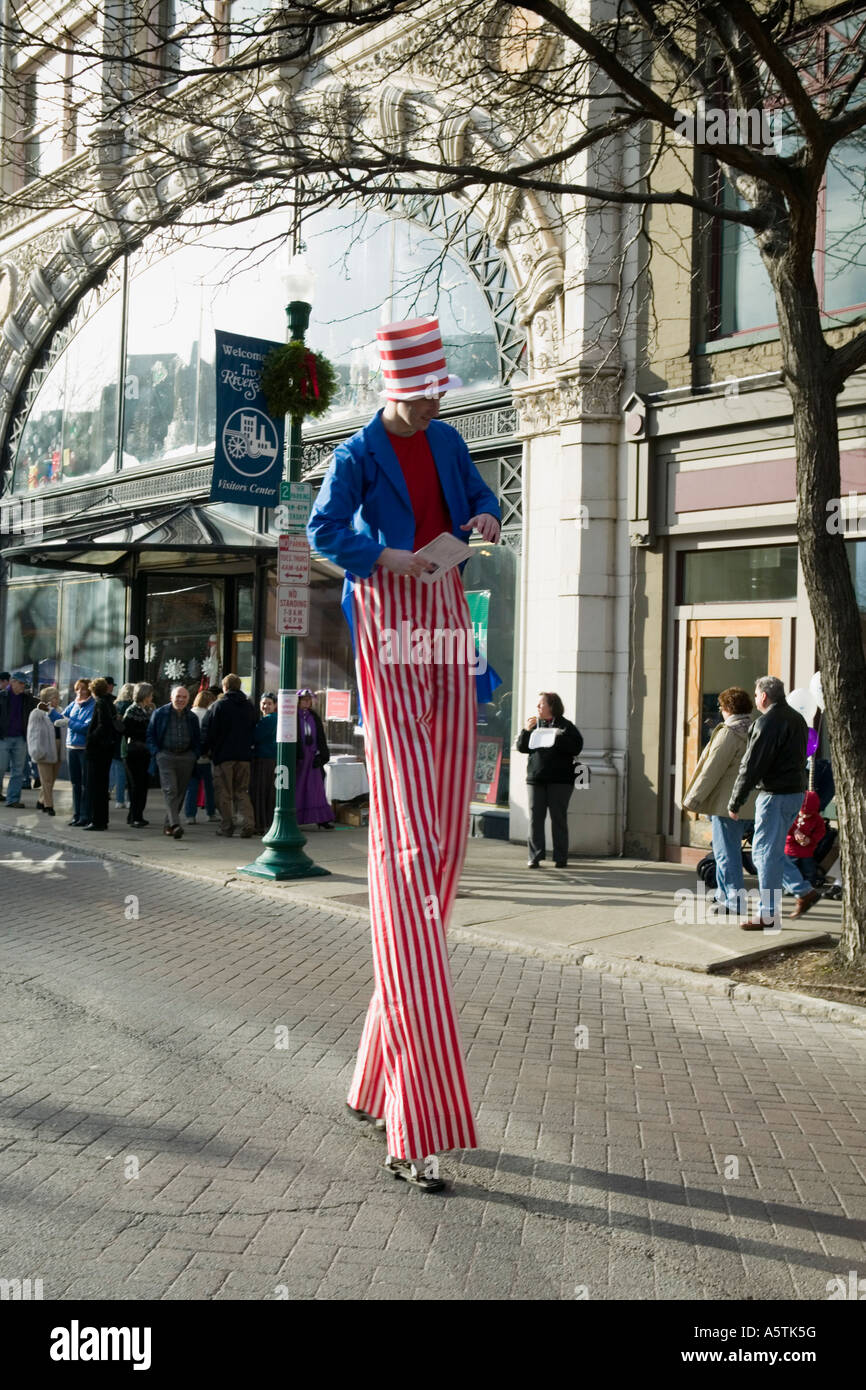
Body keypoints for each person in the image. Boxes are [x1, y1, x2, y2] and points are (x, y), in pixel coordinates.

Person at [307, 314, 501, 1193]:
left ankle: (368, 1076)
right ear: (394, 390)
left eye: (436, 395)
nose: (431, 408)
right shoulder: (354, 456)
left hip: (449, 621)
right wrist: (386, 556)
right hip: (390, 621)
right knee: (411, 854)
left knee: (444, 852)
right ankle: (413, 1119)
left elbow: (479, 499)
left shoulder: (451, 439)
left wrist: (486, 523)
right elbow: (323, 533)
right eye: (421, 396)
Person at [729, 676, 816, 927]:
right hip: (794, 794)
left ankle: (768, 913)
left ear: (764, 696)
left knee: (764, 854)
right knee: (770, 851)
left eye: (756, 695)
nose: (755, 699)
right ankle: (803, 890)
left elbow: (752, 765)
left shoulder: (767, 723)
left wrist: (736, 801)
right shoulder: (796, 719)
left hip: (775, 796)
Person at [682, 687, 757, 914]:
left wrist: (692, 800)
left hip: (727, 804)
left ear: (726, 708)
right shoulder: (756, 730)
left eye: (721, 707)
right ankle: (723, 894)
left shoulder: (729, 733)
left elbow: (711, 770)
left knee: (726, 853)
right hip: (752, 802)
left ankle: (733, 901)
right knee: (731, 851)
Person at [514, 692, 584, 869]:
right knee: (535, 819)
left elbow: (576, 746)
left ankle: (560, 857)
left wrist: (556, 737)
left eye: (541, 704)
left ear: (552, 706)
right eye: (538, 704)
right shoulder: (535, 725)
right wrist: (527, 730)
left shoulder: (566, 726)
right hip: (536, 779)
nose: (538, 707)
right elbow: (522, 747)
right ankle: (535, 856)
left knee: (558, 818)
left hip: (560, 780)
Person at [201, 674, 257, 838]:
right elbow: (254, 727)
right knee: (242, 791)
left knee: (224, 792)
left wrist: (205, 750)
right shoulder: (249, 706)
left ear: (225, 687)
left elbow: (209, 731)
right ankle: (248, 823)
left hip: (224, 756)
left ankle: (227, 826)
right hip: (244, 756)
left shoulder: (219, 705)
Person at [146, 684, 200, 839]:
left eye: (184, 697)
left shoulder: (192, 717)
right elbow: (150, 735)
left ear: (188, 699)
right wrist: (157, 753)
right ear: (171, 698)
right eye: (178, 696)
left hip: (186, 757)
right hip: (166, 756)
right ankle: (176, 825)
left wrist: (194, 754)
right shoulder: (160, 713)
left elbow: (197, 739)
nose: (181, 699)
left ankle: (168, 825)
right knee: (170, 790)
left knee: (180, 793)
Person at [83, 677, 120, 831]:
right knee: (101, 785)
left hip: (98, 751)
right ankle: (101, 819)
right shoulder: (109, 703)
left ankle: (97, 820)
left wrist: (91, 738)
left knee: (95, 786)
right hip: (105, 750)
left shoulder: (100, 703)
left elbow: (102, 725)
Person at [295, 689, 334, 829]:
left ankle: (321, 819)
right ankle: (294, 819)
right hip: (299, 757)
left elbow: (321, 737)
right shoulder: (293, 716)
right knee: (298, 788)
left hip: (312, 757)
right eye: (303, 699)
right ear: (298, 701)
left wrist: (322, 755)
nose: (306, 702)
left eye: (308, 699)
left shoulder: (314, 716)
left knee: (315, 788)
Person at [0, 672, 37, 808]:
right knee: (1, 768)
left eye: (24, 684)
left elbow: (40, 707)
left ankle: (13, 800)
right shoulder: (2, 696)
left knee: (18, 771)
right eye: (21, 683)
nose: (23, 686)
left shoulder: (27, 698)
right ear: (12, 682)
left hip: (20, 739)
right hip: (3, 738)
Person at [28, 686, 67, 816]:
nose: (56, 700)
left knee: (52, 779)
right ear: (46, 699)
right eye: (53, 698)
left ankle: (41, 800)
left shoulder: (60, 711)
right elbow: (32, 734)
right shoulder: (37, 713)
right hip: (43, 748)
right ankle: (49, 805)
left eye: (57, 697)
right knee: (47, 780)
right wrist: (36, 750)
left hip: (58, 746)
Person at [63, 678, 95, 826]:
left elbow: (85, 728)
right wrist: (49, 711)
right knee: (75, 783)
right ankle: (76, 814)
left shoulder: (93, 705)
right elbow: (61, 717)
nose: (80, 692)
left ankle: (85, 815)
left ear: (89, 690)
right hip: (71, 747)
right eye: (77, 689)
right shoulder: (74, 704)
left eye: (83, 689)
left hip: (84, 748)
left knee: (85, 784)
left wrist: (69, 723)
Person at [123, 683, 155, 827]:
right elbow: (127, 730)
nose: (151, 697)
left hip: (145, 752)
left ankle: (136, 815)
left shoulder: (148, 710)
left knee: (142, 785)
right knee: (136, 785)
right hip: (134, 752)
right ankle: (135, 816)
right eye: (150, 694)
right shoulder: (132, 711)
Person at [184, 689, 218, 825]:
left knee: (192, 786)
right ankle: (211, 813)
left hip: (191, 755)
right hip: (206, 756)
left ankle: (190, 815)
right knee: (209, 786)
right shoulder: (209, 714)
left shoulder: (189, 714)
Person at [250, 691, 278, 834]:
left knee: (260, 792)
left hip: (264, 759)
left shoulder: (269, 720)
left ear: (275, 705)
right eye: (263, 703)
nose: (265, 706)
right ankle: (267, 820)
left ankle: (260, 822)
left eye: (269, 703)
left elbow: (255, 736)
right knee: (269, 792)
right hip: (271, 759)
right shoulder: (274, 719)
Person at [110, 681, 134, 810]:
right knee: (130, 774)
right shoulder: (133, 707)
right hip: (128, 743)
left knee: (119, 774)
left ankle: (119, 800)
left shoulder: (115, 706)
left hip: (115, 743)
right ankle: (129, 799)